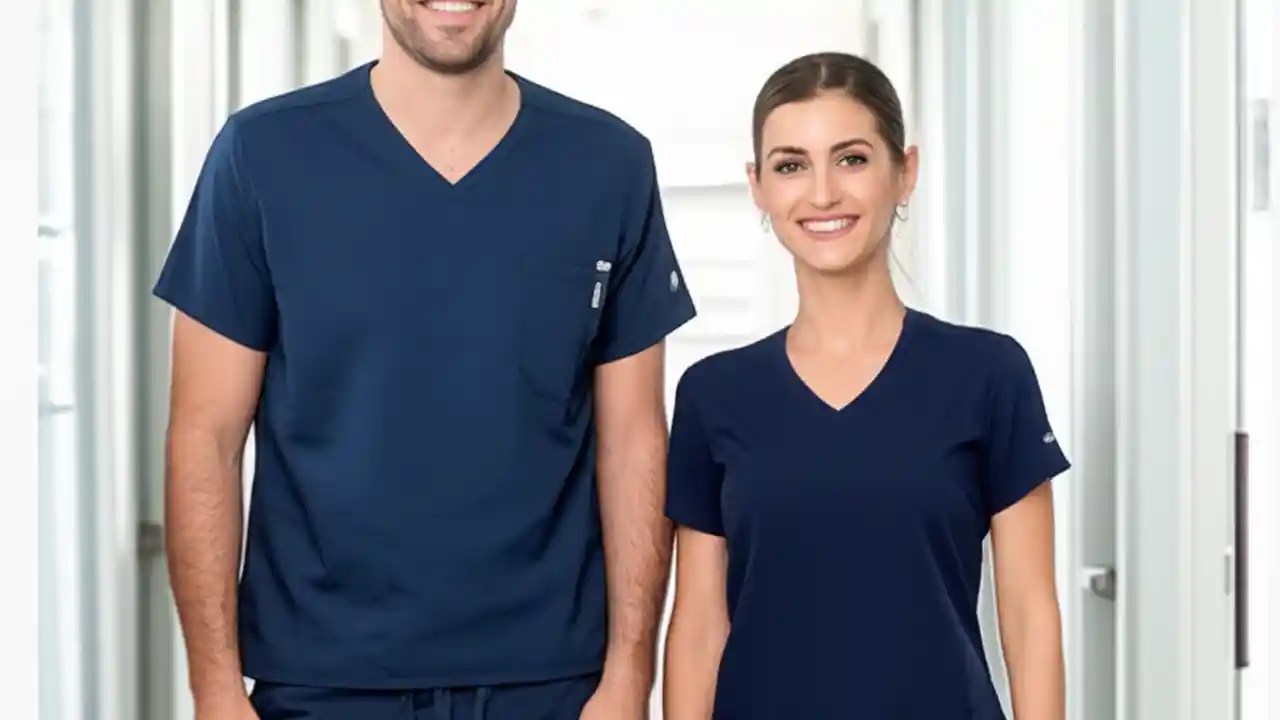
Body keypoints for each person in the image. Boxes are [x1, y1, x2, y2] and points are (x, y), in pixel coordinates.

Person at [154, 1, 696, 718]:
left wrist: (630, 677)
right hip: (323, 681)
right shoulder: (261, 154)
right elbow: (205, 439)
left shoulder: (609, 164)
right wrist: (215, 690)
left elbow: (634, 441)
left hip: (552, 683)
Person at [661, 52, 1069, 719]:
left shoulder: (989, 374)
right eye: (791, 165)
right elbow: (700, 629)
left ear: (904, 172)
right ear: (758, 186)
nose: (822, 193)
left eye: (851, 158)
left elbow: (1029, 614)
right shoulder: (714, 395)